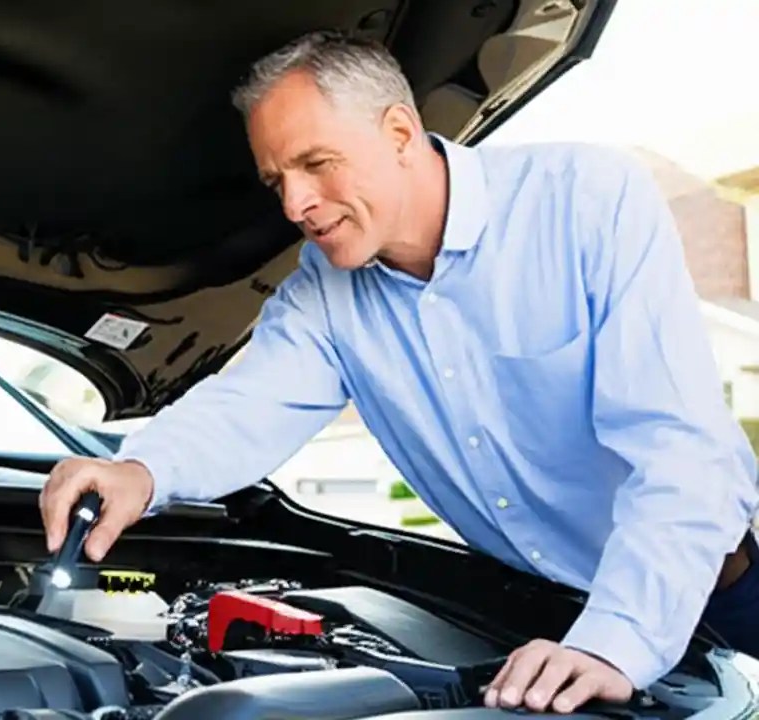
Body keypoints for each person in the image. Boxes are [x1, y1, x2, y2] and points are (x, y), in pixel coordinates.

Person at [39, 30, 759, 713]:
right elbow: (245, 409)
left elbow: (680, 449)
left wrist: (618, 638)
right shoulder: (324, 292)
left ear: (399, 133)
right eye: (276, 180)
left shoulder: (586, 201)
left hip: (721, 593)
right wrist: (141, 471)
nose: (295, 205)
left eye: (316, 164)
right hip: (541, 616)